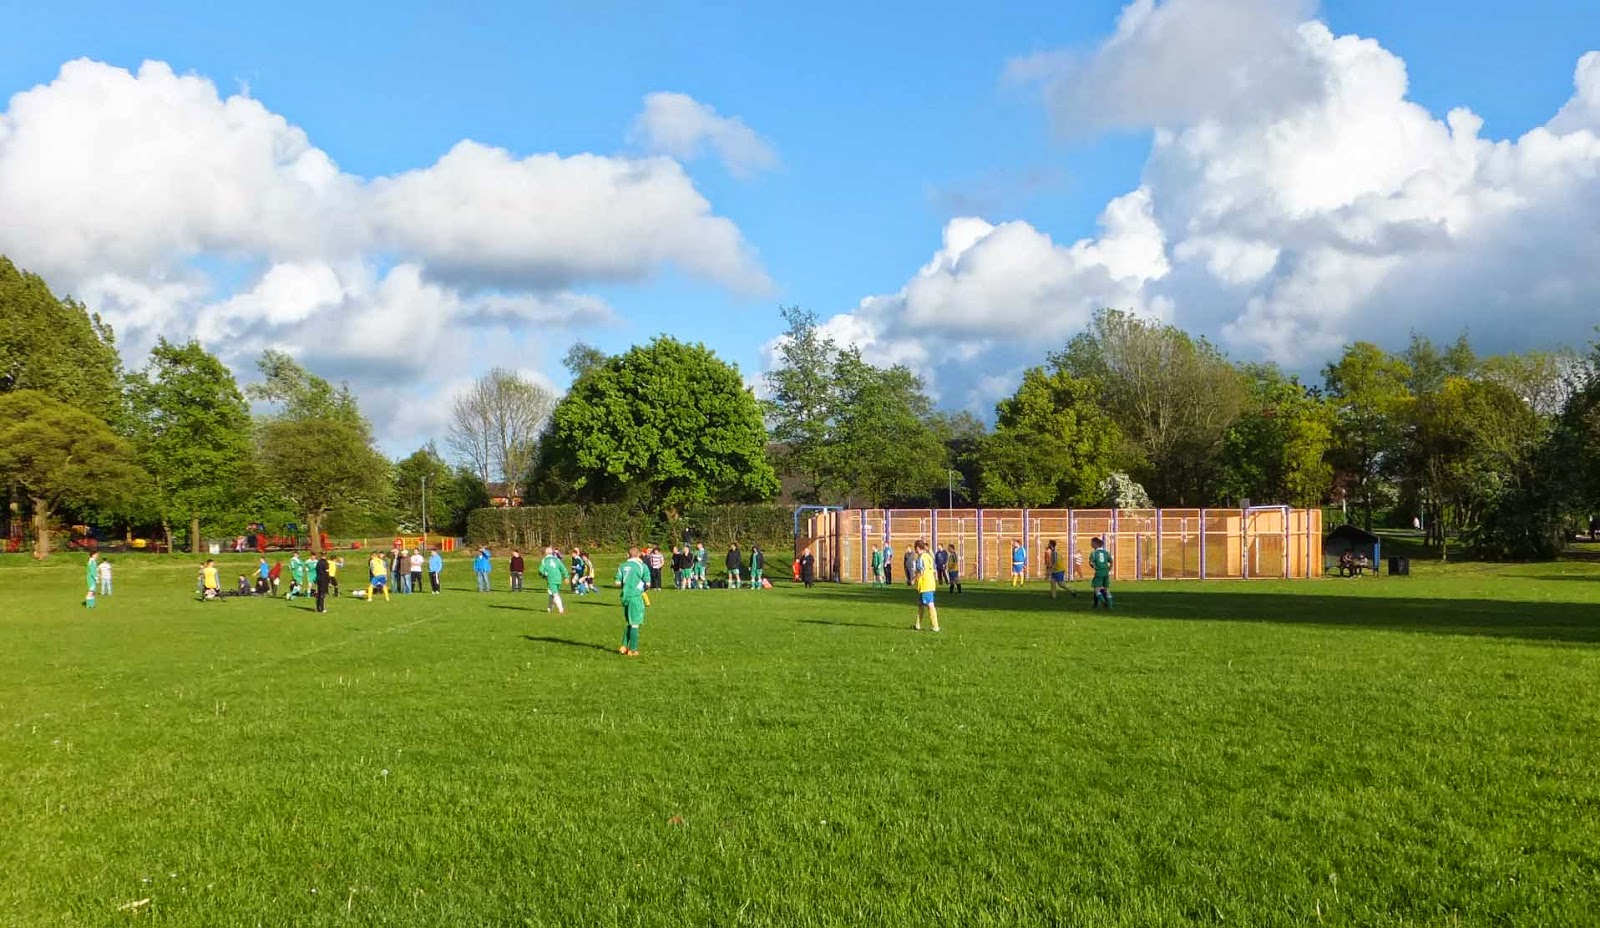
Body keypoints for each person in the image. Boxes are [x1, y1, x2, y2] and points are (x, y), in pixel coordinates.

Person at [615, 545, 649, 656]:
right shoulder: (642, 566)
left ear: (628, 554)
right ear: (639, 554)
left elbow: (617, 583)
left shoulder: (622, 566)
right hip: (635, 597)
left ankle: (623, 647)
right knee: (635, 624)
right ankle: (632, 649)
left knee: (630, 622)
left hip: (625, 597)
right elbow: (648, 583)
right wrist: (640, 588)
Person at [912, 540, 940, 632]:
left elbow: (921, 571)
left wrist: (913, 579)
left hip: (925, 584)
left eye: (915, 548)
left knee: (930, 605)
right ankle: (917, 625)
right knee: (921, 605)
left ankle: (935, 626)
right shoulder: (928, 556)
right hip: (929, 583)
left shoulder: (921, 558)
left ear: (917, 548)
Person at [540, 546, 570, 613]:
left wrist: (544, 575)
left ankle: (561, 609)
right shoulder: (557, 559)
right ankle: (549, 608)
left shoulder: (544, 560)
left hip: (551, 579)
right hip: (558, 578)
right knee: (551, 593)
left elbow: (540, 570)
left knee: (555, 594)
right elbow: (563, 568)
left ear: (545, 553)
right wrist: (566, 577)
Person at [1089, 537, 1113, 610]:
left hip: (1099, 572)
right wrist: (1110, 568)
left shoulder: (1094, 553)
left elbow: (1091, 562)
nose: (1091, 544)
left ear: (1095, 544)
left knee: (1096, 590)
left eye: (1092, 543)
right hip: (1106, 572)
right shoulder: (1106, 552)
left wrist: (1093, 566)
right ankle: (1110, 606)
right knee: (1106, 590)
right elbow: (1111, 561)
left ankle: (1104, 602)